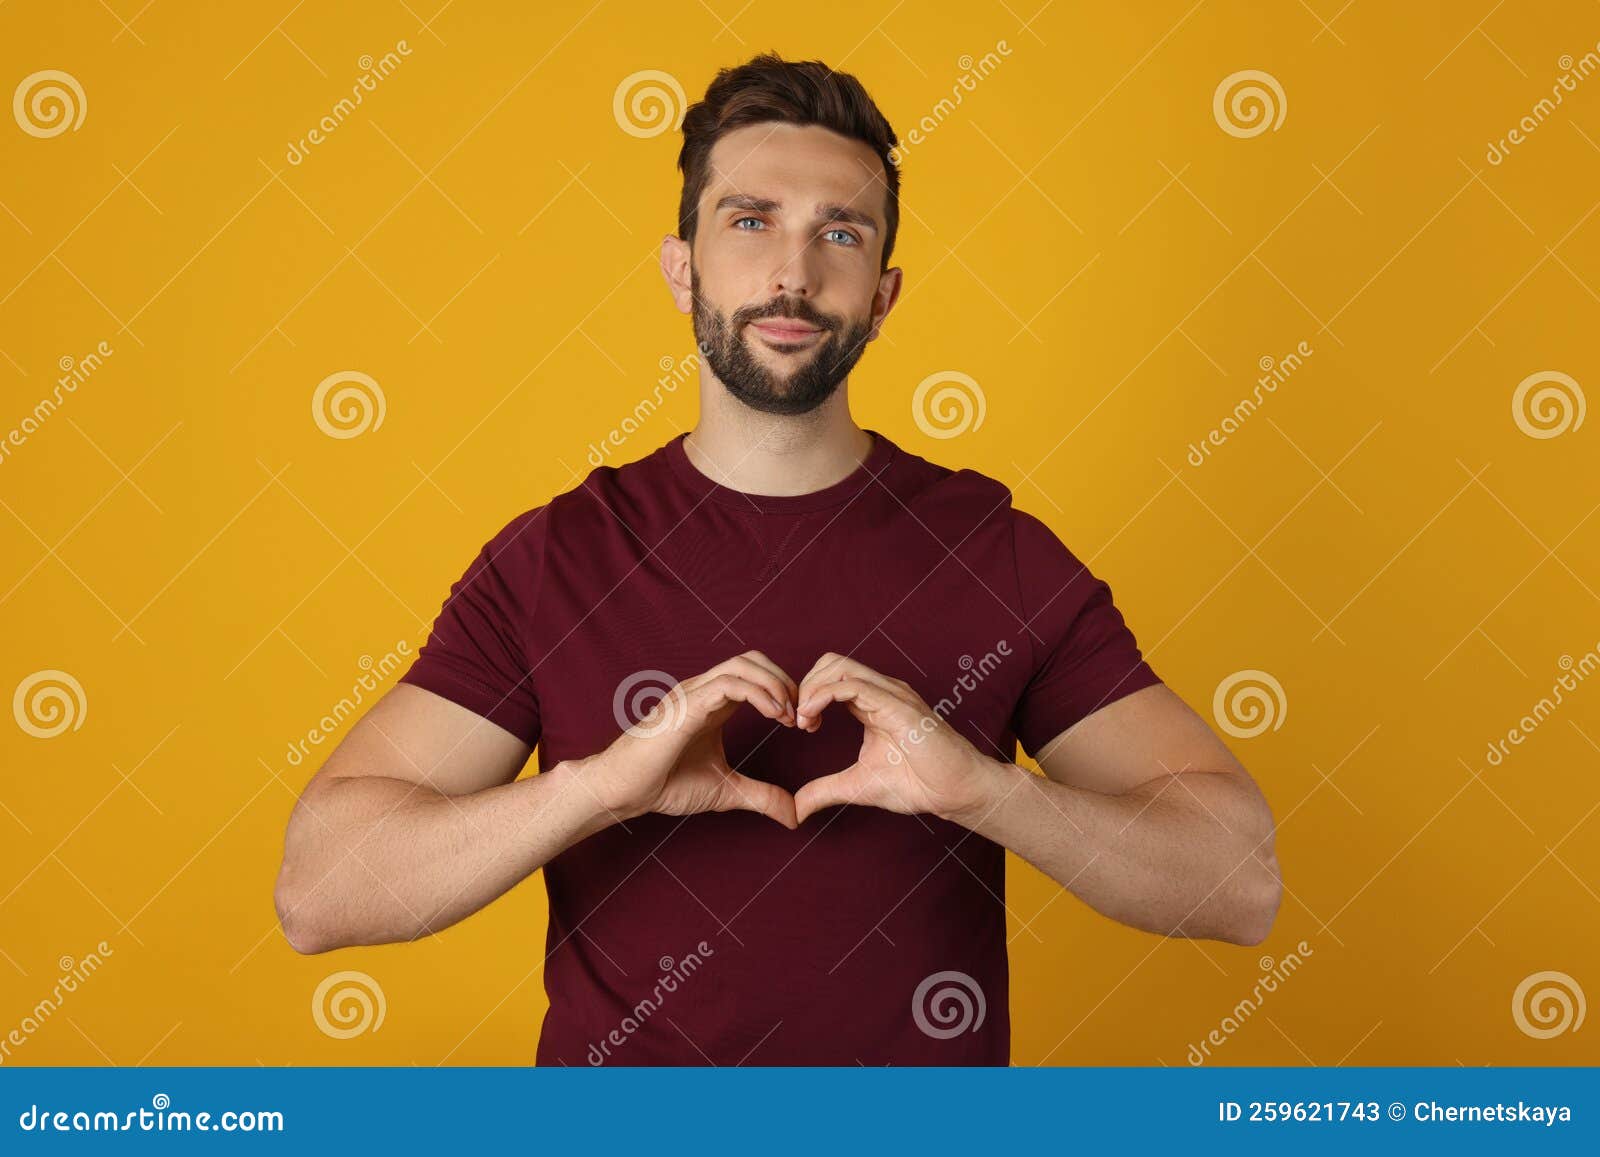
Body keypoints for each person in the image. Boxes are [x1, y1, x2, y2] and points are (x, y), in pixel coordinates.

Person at [273, 52, 1282, 1066]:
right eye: (750, 221)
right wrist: (597, 790)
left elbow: (1239, 882)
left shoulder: (994, 551)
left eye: (837, 232)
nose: (792, 272)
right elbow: (320, 891)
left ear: (883, 295)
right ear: (683, 268)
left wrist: (987, 790)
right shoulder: (557, 559)